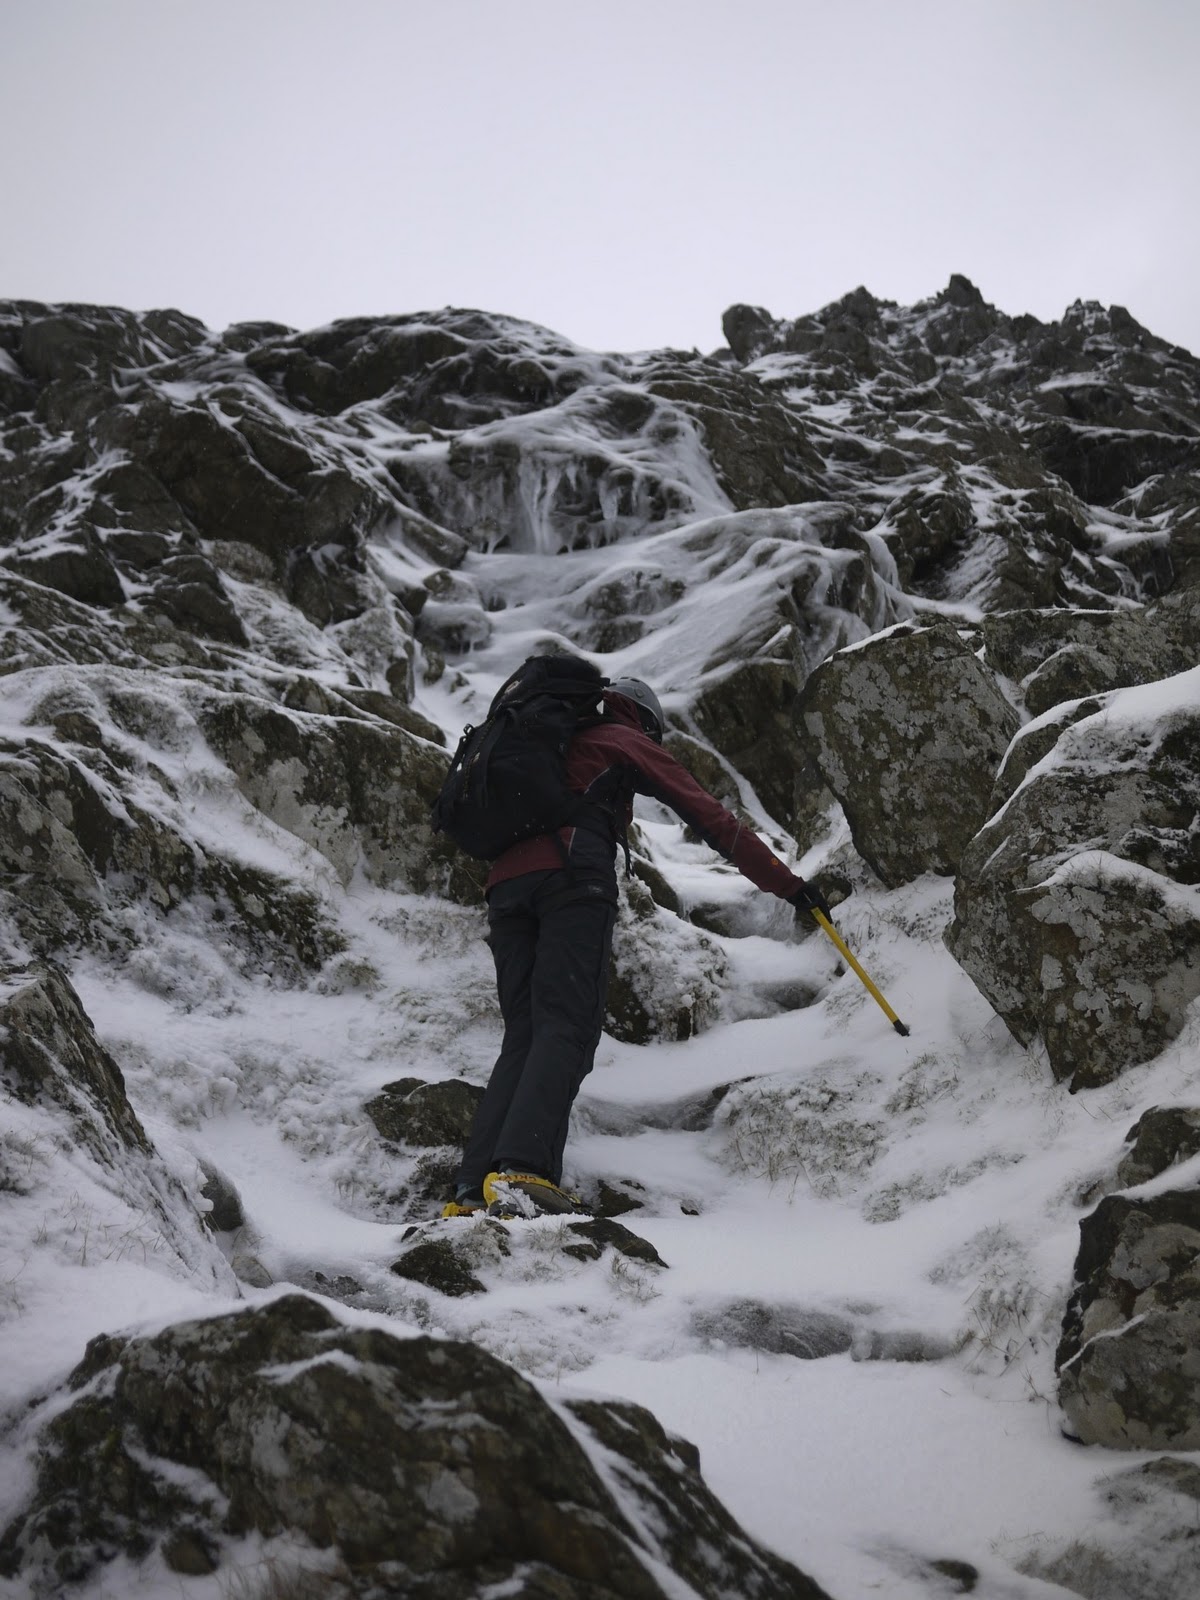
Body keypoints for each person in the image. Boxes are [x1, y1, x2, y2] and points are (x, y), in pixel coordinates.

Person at [446, 675, 831, 1219]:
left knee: (526, 1034)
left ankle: (470, 1190)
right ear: (644, 720)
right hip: (571, 877)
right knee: (567, 1027)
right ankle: (522, 1173)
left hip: (506, 889)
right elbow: (710, 816)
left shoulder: (548, 740)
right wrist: (788, 885)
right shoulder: (622, 739)